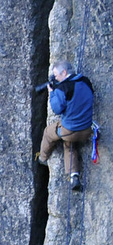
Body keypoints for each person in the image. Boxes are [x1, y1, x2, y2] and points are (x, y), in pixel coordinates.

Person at [37, 60, 94, 191]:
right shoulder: (86, 81)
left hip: (70, 131)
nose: (55, 77)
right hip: (86, 130)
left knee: (48, 132)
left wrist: (52, 92)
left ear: (64, 72)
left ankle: (42, 157)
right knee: (69, 145)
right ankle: (74, 176)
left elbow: (57, 109)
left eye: (56, 75)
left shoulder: (63, 89)